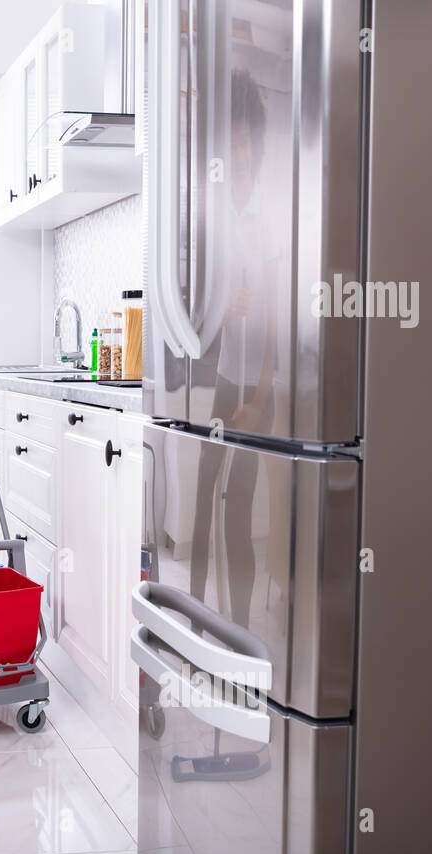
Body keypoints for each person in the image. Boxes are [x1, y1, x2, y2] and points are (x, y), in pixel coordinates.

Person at [187, 67, 281, 630]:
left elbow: (275, 321)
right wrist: (224, 308)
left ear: (257, 147)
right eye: (233, 142)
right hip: (224, 378)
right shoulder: (213, 216)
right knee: (204, 499)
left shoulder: (266, 222)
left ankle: (238, 629)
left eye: (248, 141)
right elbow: (200, 317)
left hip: (254, 389)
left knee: (239, 511)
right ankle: (193, 618)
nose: (241, 153)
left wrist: (262, 398)